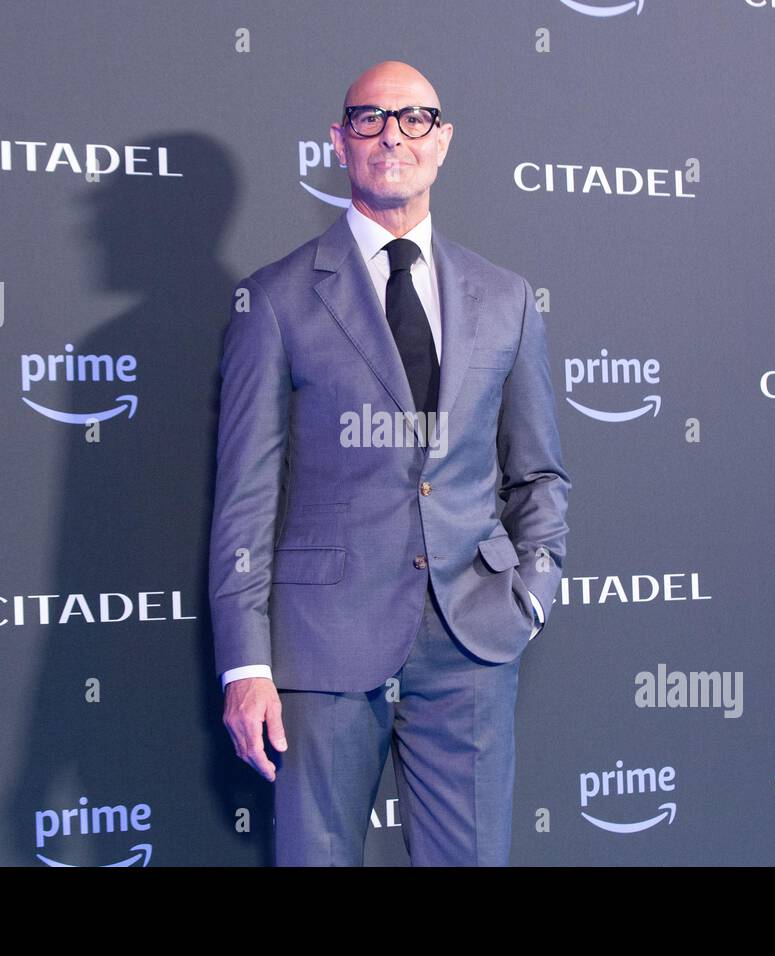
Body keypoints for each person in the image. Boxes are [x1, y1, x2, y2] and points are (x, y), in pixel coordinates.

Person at [209, 60, 570, 866]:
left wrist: (532, 593)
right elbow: (245, 497)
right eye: (369, 119)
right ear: (340, 142)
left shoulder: (506, 298)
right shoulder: (276, 301)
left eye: (413, 119)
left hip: (471, 635)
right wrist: (245, 662)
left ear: (443, 141)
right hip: (323, 636)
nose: (391, 136)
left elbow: (537, 472)